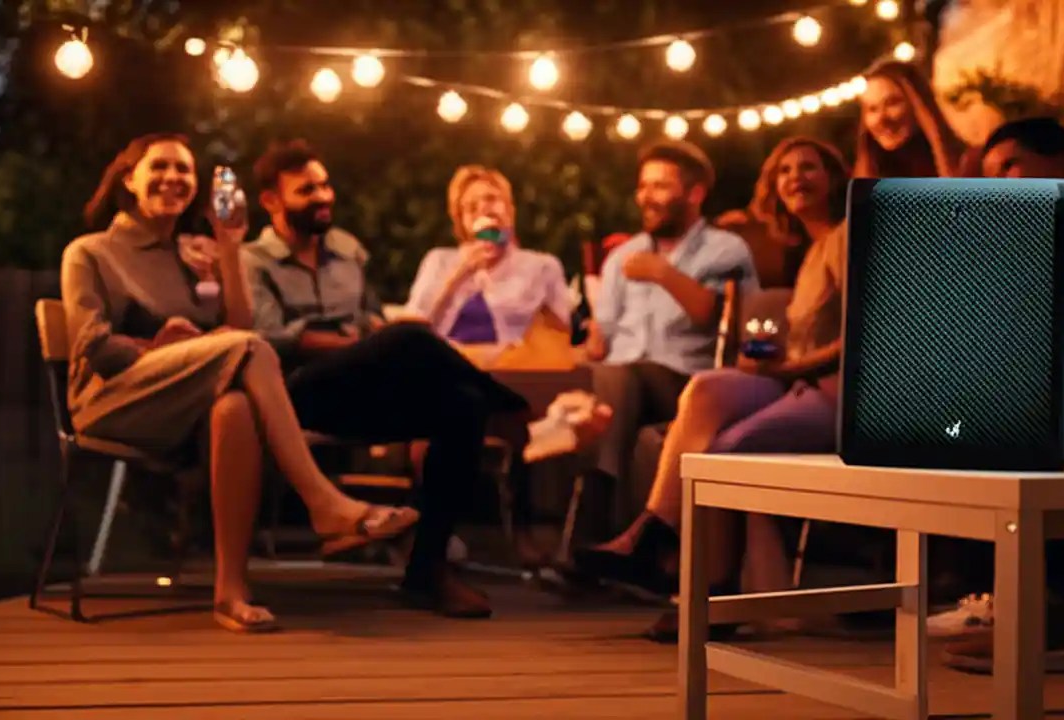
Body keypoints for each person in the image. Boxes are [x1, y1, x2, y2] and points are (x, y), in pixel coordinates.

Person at [61, 134, 418, 633]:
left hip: (182, 398)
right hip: (112, 399)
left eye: (185, 171)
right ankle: (324, 503)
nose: (173, 178)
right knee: (248, 350)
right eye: (159, 167)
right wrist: (154, 347)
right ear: (129, 179)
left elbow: (238, 324)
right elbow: (91, 347)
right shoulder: (91, 252)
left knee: (235, 407)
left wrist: (229, 246)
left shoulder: (191, 255)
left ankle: (229, 591)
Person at [242, 140, 580, 618]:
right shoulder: (252, 260)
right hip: (289, 395)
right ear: (272, 202)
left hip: (355, 394)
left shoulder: (346, 253)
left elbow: (372, 321)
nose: (322, 196)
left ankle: (428, 570)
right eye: (306, 190)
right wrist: (352, 342)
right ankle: (512, 411)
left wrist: (367, 340)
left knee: (461, 403)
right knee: (410, 337)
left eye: (324, 185)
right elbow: (267, 339)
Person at [575, 137, 848, 641]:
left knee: (723, 448)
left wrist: (785, 369)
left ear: (835, 177)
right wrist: (771, 359)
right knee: (707, 388)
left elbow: (864, 336)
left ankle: (708, 594)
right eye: (785, 170)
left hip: (833, 390)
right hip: (792, 382)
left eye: (808, 167)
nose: (795, 178)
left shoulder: (847, 237)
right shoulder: (811, 252)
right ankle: (651, 533)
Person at [927, 117, 1064, 673]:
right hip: (1028, 378)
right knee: (948, 418)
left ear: (1061, 163)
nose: (999, 182)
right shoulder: (1009, 234)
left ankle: (1054, 612)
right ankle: (999, 598)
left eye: (1010, 165)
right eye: (990, 173)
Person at [582, 140, 758, 528]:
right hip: (620, 384)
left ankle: (592, 525)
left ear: (694, 193)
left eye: (660, 186)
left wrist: (662, 273)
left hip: (687, 386)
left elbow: (715, 318)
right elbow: (601, 342)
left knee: (620, 379)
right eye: (643, 186)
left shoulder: (726, 250)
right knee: (600, 385)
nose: (646, 196)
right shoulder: (620, 258)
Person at [404, 165, 571, 351]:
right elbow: (410, 329)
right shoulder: (438, 261)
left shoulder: (542, 267)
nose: (483, 209)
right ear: (461, 222)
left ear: (509, 209)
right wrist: (458, 275)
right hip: (447, 368)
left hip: (510, 371)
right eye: (471, 207)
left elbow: (561, 335)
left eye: (491, 199)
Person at [854, 59, 971, 179]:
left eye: (892, 103)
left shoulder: (969, 167)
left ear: (921, 104)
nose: (881, 119)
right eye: (872, 109)